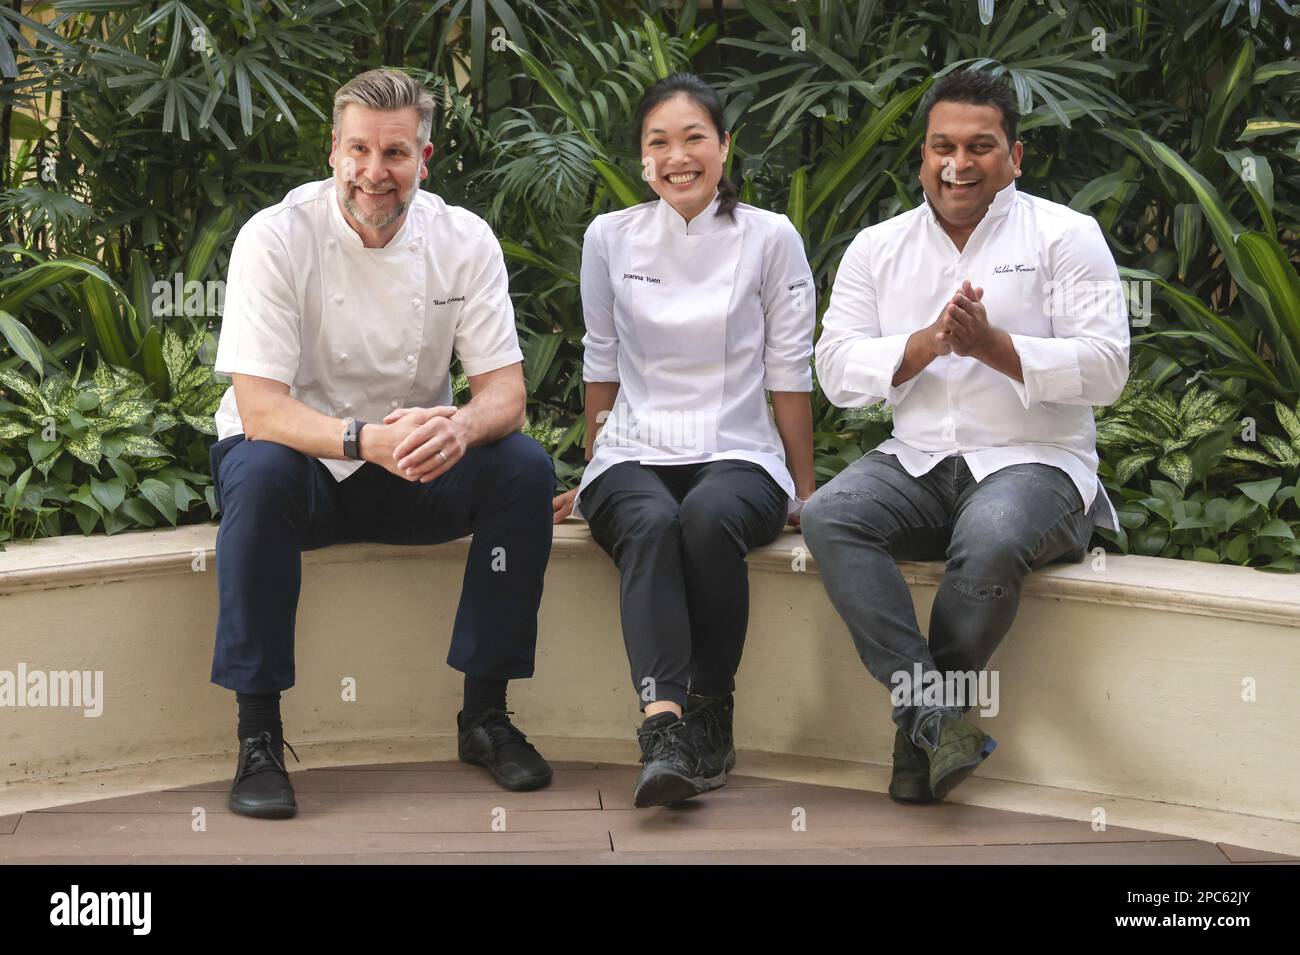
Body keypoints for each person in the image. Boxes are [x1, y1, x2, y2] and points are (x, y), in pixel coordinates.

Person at [209, 68, 556, 819]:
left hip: (410, 467)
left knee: (524, 470)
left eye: (395, 153)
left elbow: (507, 394)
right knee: (260, 470)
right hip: (299, 465)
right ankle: (259, 738)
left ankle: (485, 716)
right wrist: (365, 440)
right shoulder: (275, 236)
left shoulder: (463, 240)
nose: (375, 173)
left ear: (423, 160)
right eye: (359, 150)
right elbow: (260, 408)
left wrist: (458, 425)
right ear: (333, 149)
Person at [800, 69, 1129, 804]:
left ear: (1016, 155)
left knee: (993, 534)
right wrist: (923, 345)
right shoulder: (878, 247)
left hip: (1035, 462)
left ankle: (918, 728)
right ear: (921, 155)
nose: (959, 163)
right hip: (916, 459)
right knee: (830, 515)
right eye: (942, 146)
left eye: (981, 145)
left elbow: (1108, 367)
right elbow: (835, 368)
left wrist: (993, 348)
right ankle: (934, 717)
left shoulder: (1067, 236)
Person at [551, 73, 817, 808]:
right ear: (642, 160)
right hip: (633, 448)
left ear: (725, 146)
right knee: (647, 520)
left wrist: (806, 489)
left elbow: (789, 374)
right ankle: (663, 729)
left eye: (695, 137)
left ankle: (712, 708)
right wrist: (594, 462)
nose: (678, 156)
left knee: (704, 518)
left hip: (738, 450)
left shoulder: (770, 238)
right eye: (658, 143)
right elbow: (600, 361)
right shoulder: (610, 238)